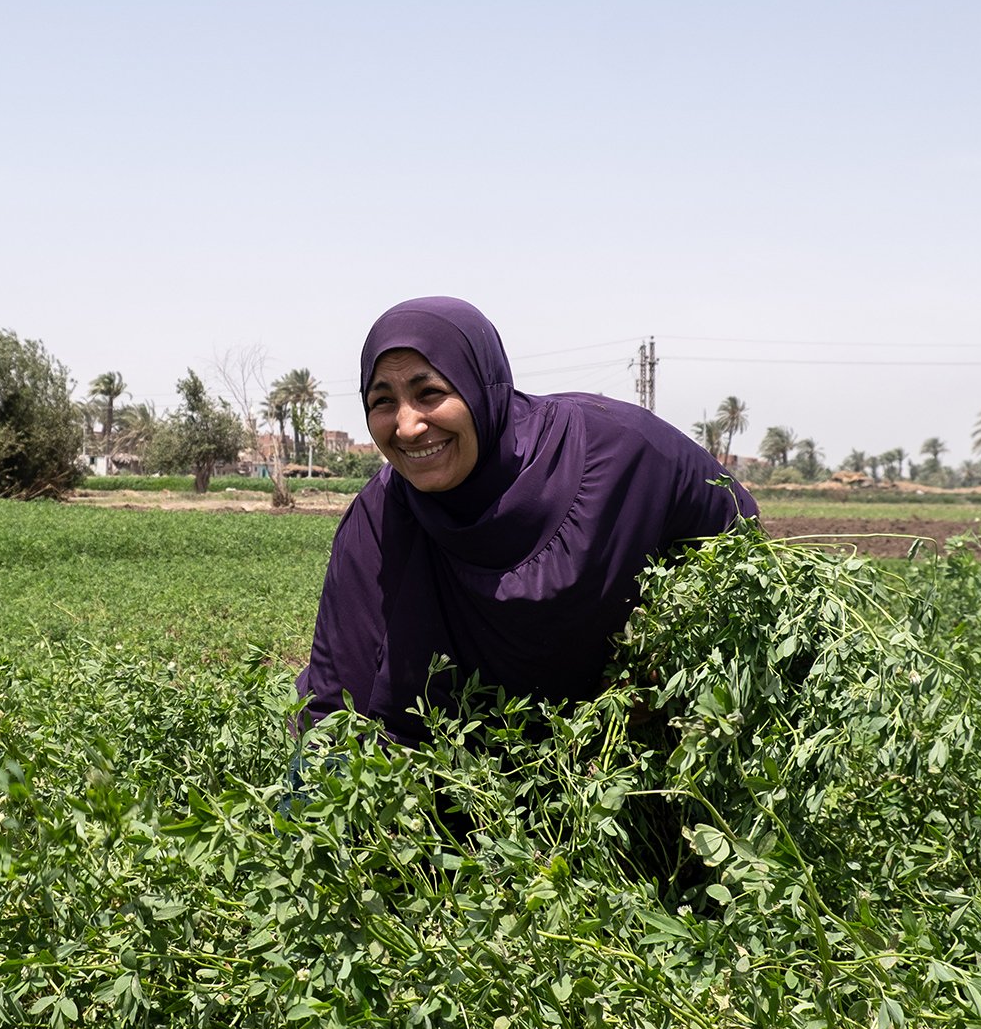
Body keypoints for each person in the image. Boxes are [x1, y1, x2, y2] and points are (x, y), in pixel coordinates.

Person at [296, 296, 756, 745]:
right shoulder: (380, 519)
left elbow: (742, 544)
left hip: (609, 768)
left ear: (482, 386)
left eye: (430, 393)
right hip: (466, 789)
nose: (408, 426)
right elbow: (334, 703)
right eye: (382, 401)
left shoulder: (618, 455)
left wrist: (665, 667)